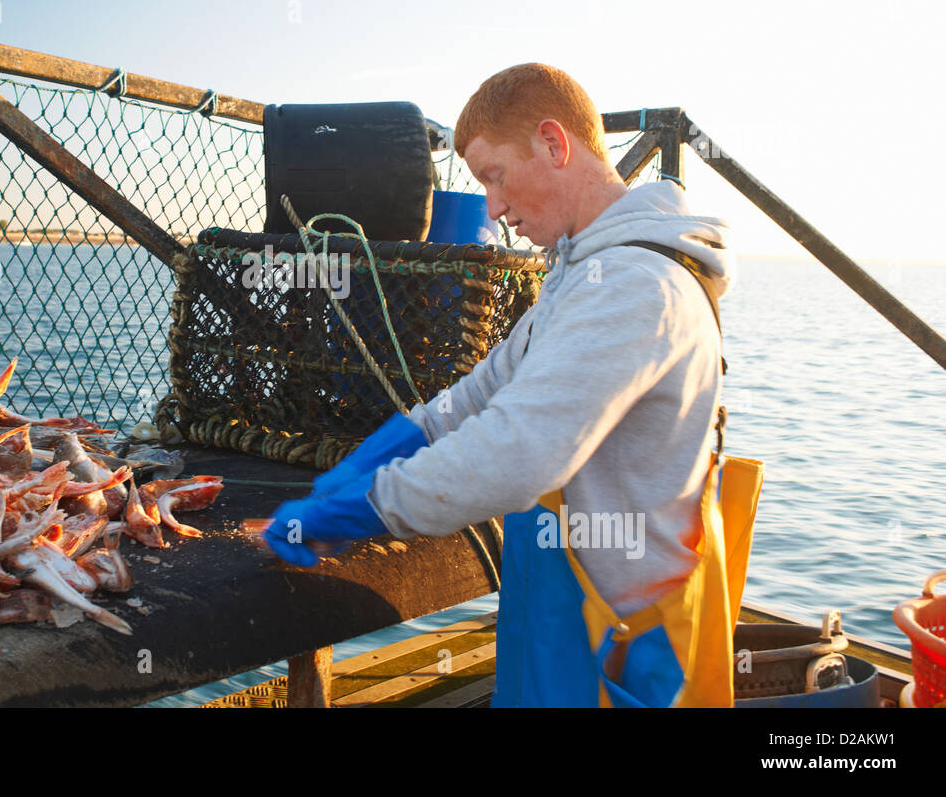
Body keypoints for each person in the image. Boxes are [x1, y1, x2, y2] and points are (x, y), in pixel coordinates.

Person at [263, 63, 739, 707]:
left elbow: (515, 452)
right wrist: (379, 452)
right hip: (570, 623)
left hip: (624, 649)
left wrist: (359, 508)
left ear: (553, 143)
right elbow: (479, 394)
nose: (492, 207)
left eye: (495, 176)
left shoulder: (633, 286)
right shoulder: (587, 274)